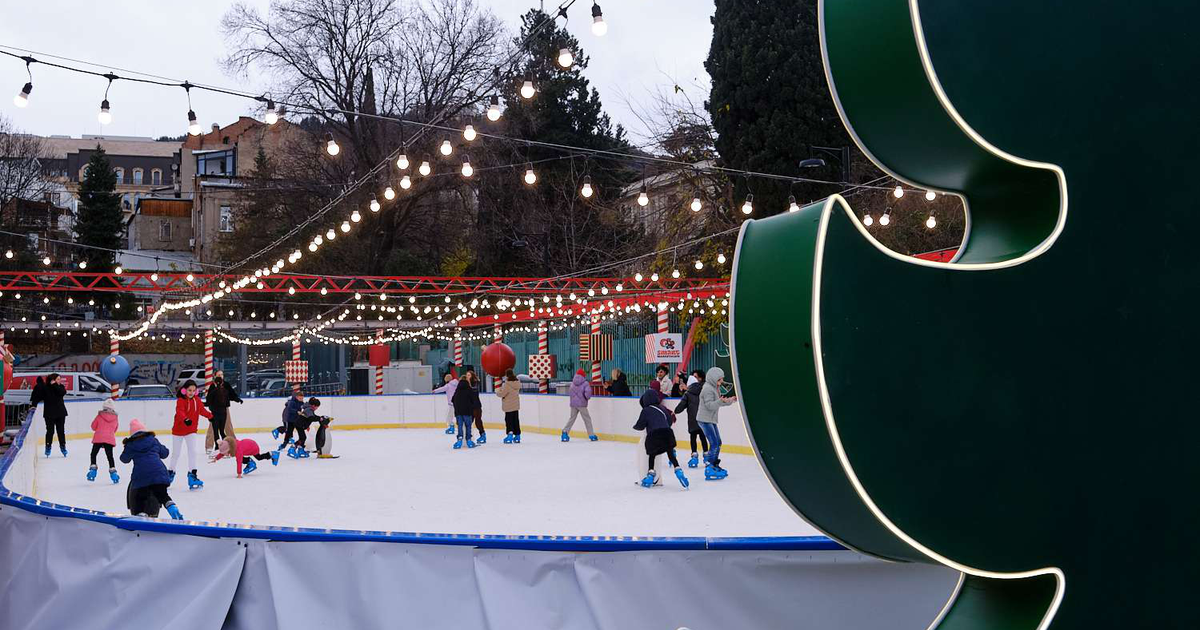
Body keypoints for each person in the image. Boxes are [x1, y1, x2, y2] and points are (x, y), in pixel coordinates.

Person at [120, 418, 183, 520]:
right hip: (159, 473)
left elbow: (124, 459)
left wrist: (127, 448)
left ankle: (141, 514)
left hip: (142, 476)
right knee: (162, 494)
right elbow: (165, 453)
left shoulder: (131, 444)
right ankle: (172, 507)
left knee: (140, 496)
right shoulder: (153, 440)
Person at [633, 381, 689, 489]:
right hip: (668, 433)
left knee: (652, 455)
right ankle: (678, 470)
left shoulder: (646, 410)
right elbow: (669, 421)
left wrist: (635, 427)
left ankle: (650, 475)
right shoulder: (662, 408)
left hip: (654, 435)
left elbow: (640, 425)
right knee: (670, 454)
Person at [170, 380, 212, 490]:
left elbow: (202, 410)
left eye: (194, 390)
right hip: (178, 431)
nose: (191, 392)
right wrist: (185, 419)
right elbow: (180, 412)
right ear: (184, 390)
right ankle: (170, 473)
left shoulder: (197, 400)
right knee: (176, 453)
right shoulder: (180, 400)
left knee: (193, 452)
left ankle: (192, 475)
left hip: (191, 430)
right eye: (189, 390)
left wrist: (211, 416)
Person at [697, 367, 737, 480]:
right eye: (719, 380)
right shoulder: (707, 389)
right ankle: (710, 467)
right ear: (713, 379)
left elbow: (718, 403)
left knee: (718, 442)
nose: (721, 382)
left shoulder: (714, 388)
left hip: (710, 419)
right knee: (714, 443)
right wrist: (721, 401)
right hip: (705, 420)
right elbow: (710, 405)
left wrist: (730, 400)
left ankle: (714, 464)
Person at [674, 370, 709, 468]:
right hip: (703, 419)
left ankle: (694, 456)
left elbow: (682, 405)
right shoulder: (705, 390)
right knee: (703, 438)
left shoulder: (688, 393)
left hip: (693, 421)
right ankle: (706, 456)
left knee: (693, 438)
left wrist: (675, 411)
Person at [204, 370, 243, 455]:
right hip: (214, 410)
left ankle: (233, 445)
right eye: (219, 375)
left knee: (228, 426)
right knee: (212, 428)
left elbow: (232, 394)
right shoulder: (212, 386)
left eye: (222, 374)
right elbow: (209, 399)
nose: (221, 376)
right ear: (215, 376)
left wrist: (237, 399)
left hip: (224, 409)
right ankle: (209, 446)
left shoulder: (226, 385)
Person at [87, 398, 120, 484]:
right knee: (110, 456)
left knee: (93, 454)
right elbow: (115, 429)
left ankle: (93, 470)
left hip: (99, 437)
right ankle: (113, 473)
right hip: (109, 438)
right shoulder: (115, 417)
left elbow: (93, 426)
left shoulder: (99, 415)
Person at [562, 369, 598, 442]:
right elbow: (588, 394)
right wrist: (586, 398)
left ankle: (565, 432)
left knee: (572, 418)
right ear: (583, 375)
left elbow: (570, 393)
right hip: (582, 405)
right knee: (587, 419)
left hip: (573, 404)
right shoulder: (585, 383)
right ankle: (591, 435)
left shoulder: (572, 383)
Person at [42, 373, 68, 458]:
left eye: (60, 379)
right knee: (50, 431)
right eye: (58, 379)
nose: (60, 381)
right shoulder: (46, 388)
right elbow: (38, 395)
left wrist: (55, 385)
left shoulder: (60, 387)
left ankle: (63, 446)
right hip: (49, 414)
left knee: (61, 431)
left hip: (60, 413)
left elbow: (62, 393)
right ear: (52, 380)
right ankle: (48, 446)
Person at [450, 374, 479, 449]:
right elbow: (473, 400)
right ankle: (469, 440)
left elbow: (452, 400)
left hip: (458, 412)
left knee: (460, 426)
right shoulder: (469, 389)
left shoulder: (457, 390)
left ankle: (459, 439)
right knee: (468, 426)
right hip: (467, 411)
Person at [496, 369, 522, 444]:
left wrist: (497, 392)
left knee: (509, 420)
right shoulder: (517, 383)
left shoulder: (507, 384)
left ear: (506, 375)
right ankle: (517, 435)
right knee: (516, 420)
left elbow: (502, 394)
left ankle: (510, 435)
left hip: (508, 405)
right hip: (515, 405)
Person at [465, 369, 486, 444]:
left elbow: (473, 390)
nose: (467, 377)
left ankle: (483, 434)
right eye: (467, 375)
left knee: (478, 421)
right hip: (470, 406)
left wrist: (468, 384)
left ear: (472, 376)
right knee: (469, 422)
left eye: (469, 375)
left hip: (476, 406)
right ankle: (469, 436)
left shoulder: (475, 383)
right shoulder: (466, 384)